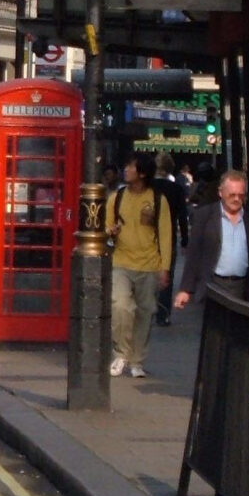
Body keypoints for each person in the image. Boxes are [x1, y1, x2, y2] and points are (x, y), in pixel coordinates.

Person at [107, 152, 171, 378]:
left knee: (145, 313)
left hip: (149, 264)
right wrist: (110, 232)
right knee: (120, 307)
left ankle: (137, 361)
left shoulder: (157, 200)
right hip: (121, 262)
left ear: (142, 172)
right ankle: (121, 353)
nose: (126, 170)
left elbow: (165, 235)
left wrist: (165, 268)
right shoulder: (116, 197)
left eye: (131, 167)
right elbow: (105, 230)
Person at [174, 169, 249, 308]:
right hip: (214, 285)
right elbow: (194, 253)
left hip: (244, 287)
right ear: (220, 192)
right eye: (232, 195)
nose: (237, 199)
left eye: (241, 195)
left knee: (242, 329)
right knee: (216, 329)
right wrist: (185, 289)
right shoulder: (205, 216)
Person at [154, 151, 189, 326]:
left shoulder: (148, 186)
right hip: (168, 236)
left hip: (148, 236)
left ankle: (147, 309)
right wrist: (184, 239)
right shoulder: (177, 189)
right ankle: (163, 313)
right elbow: (183, 216)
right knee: (166, 273)